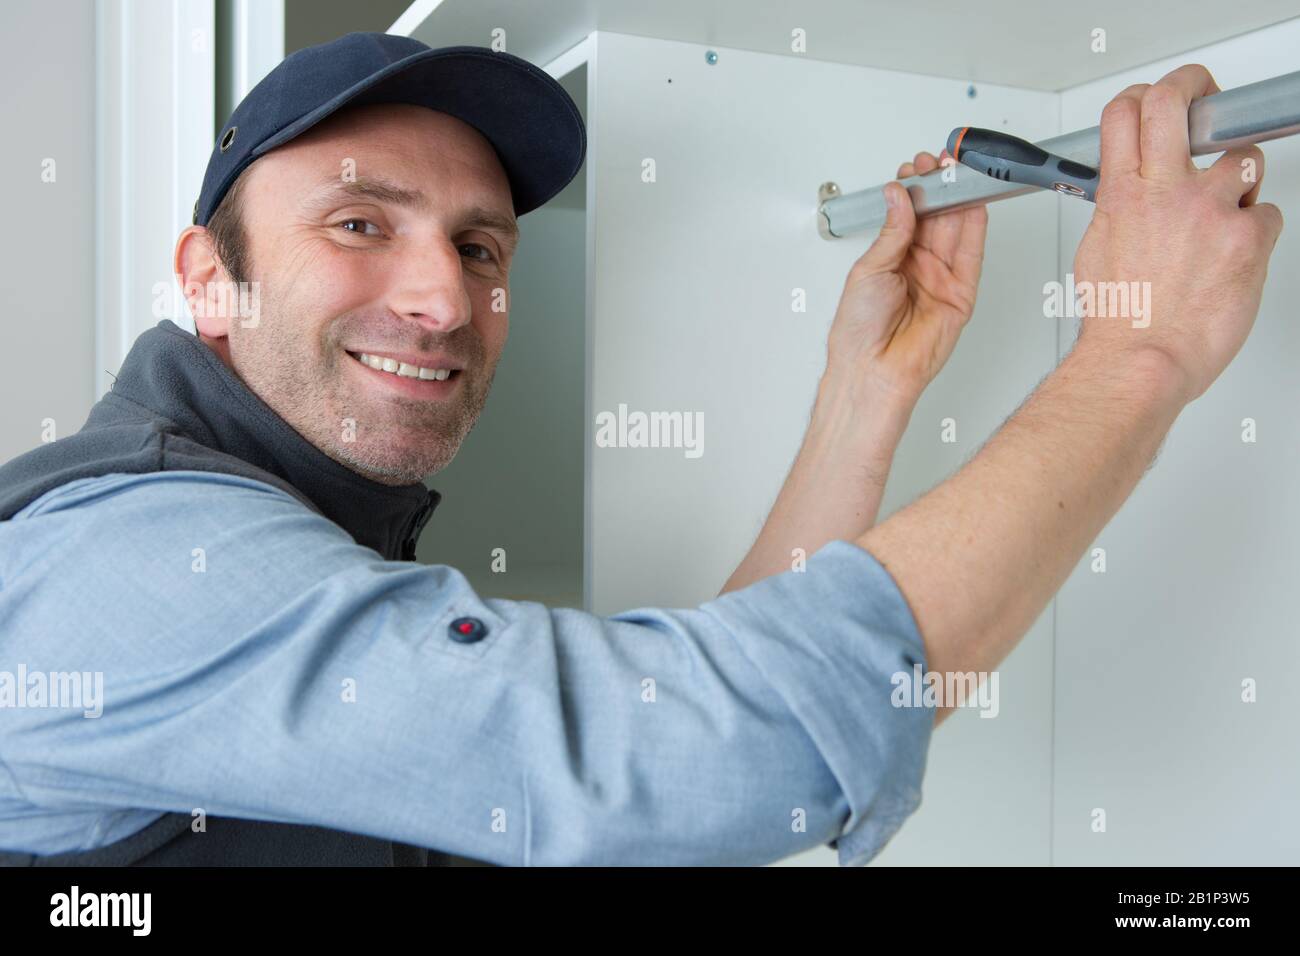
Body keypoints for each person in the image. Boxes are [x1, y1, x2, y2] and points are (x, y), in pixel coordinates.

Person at [0, 30, 1281, 866]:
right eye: (356, 222)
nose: (444, 300)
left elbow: (625, 761)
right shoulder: (131, 561)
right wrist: (1139, 358)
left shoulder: (288, 530)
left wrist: (862, 395)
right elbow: (647, 757)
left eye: (480, 247)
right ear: (207, 282)